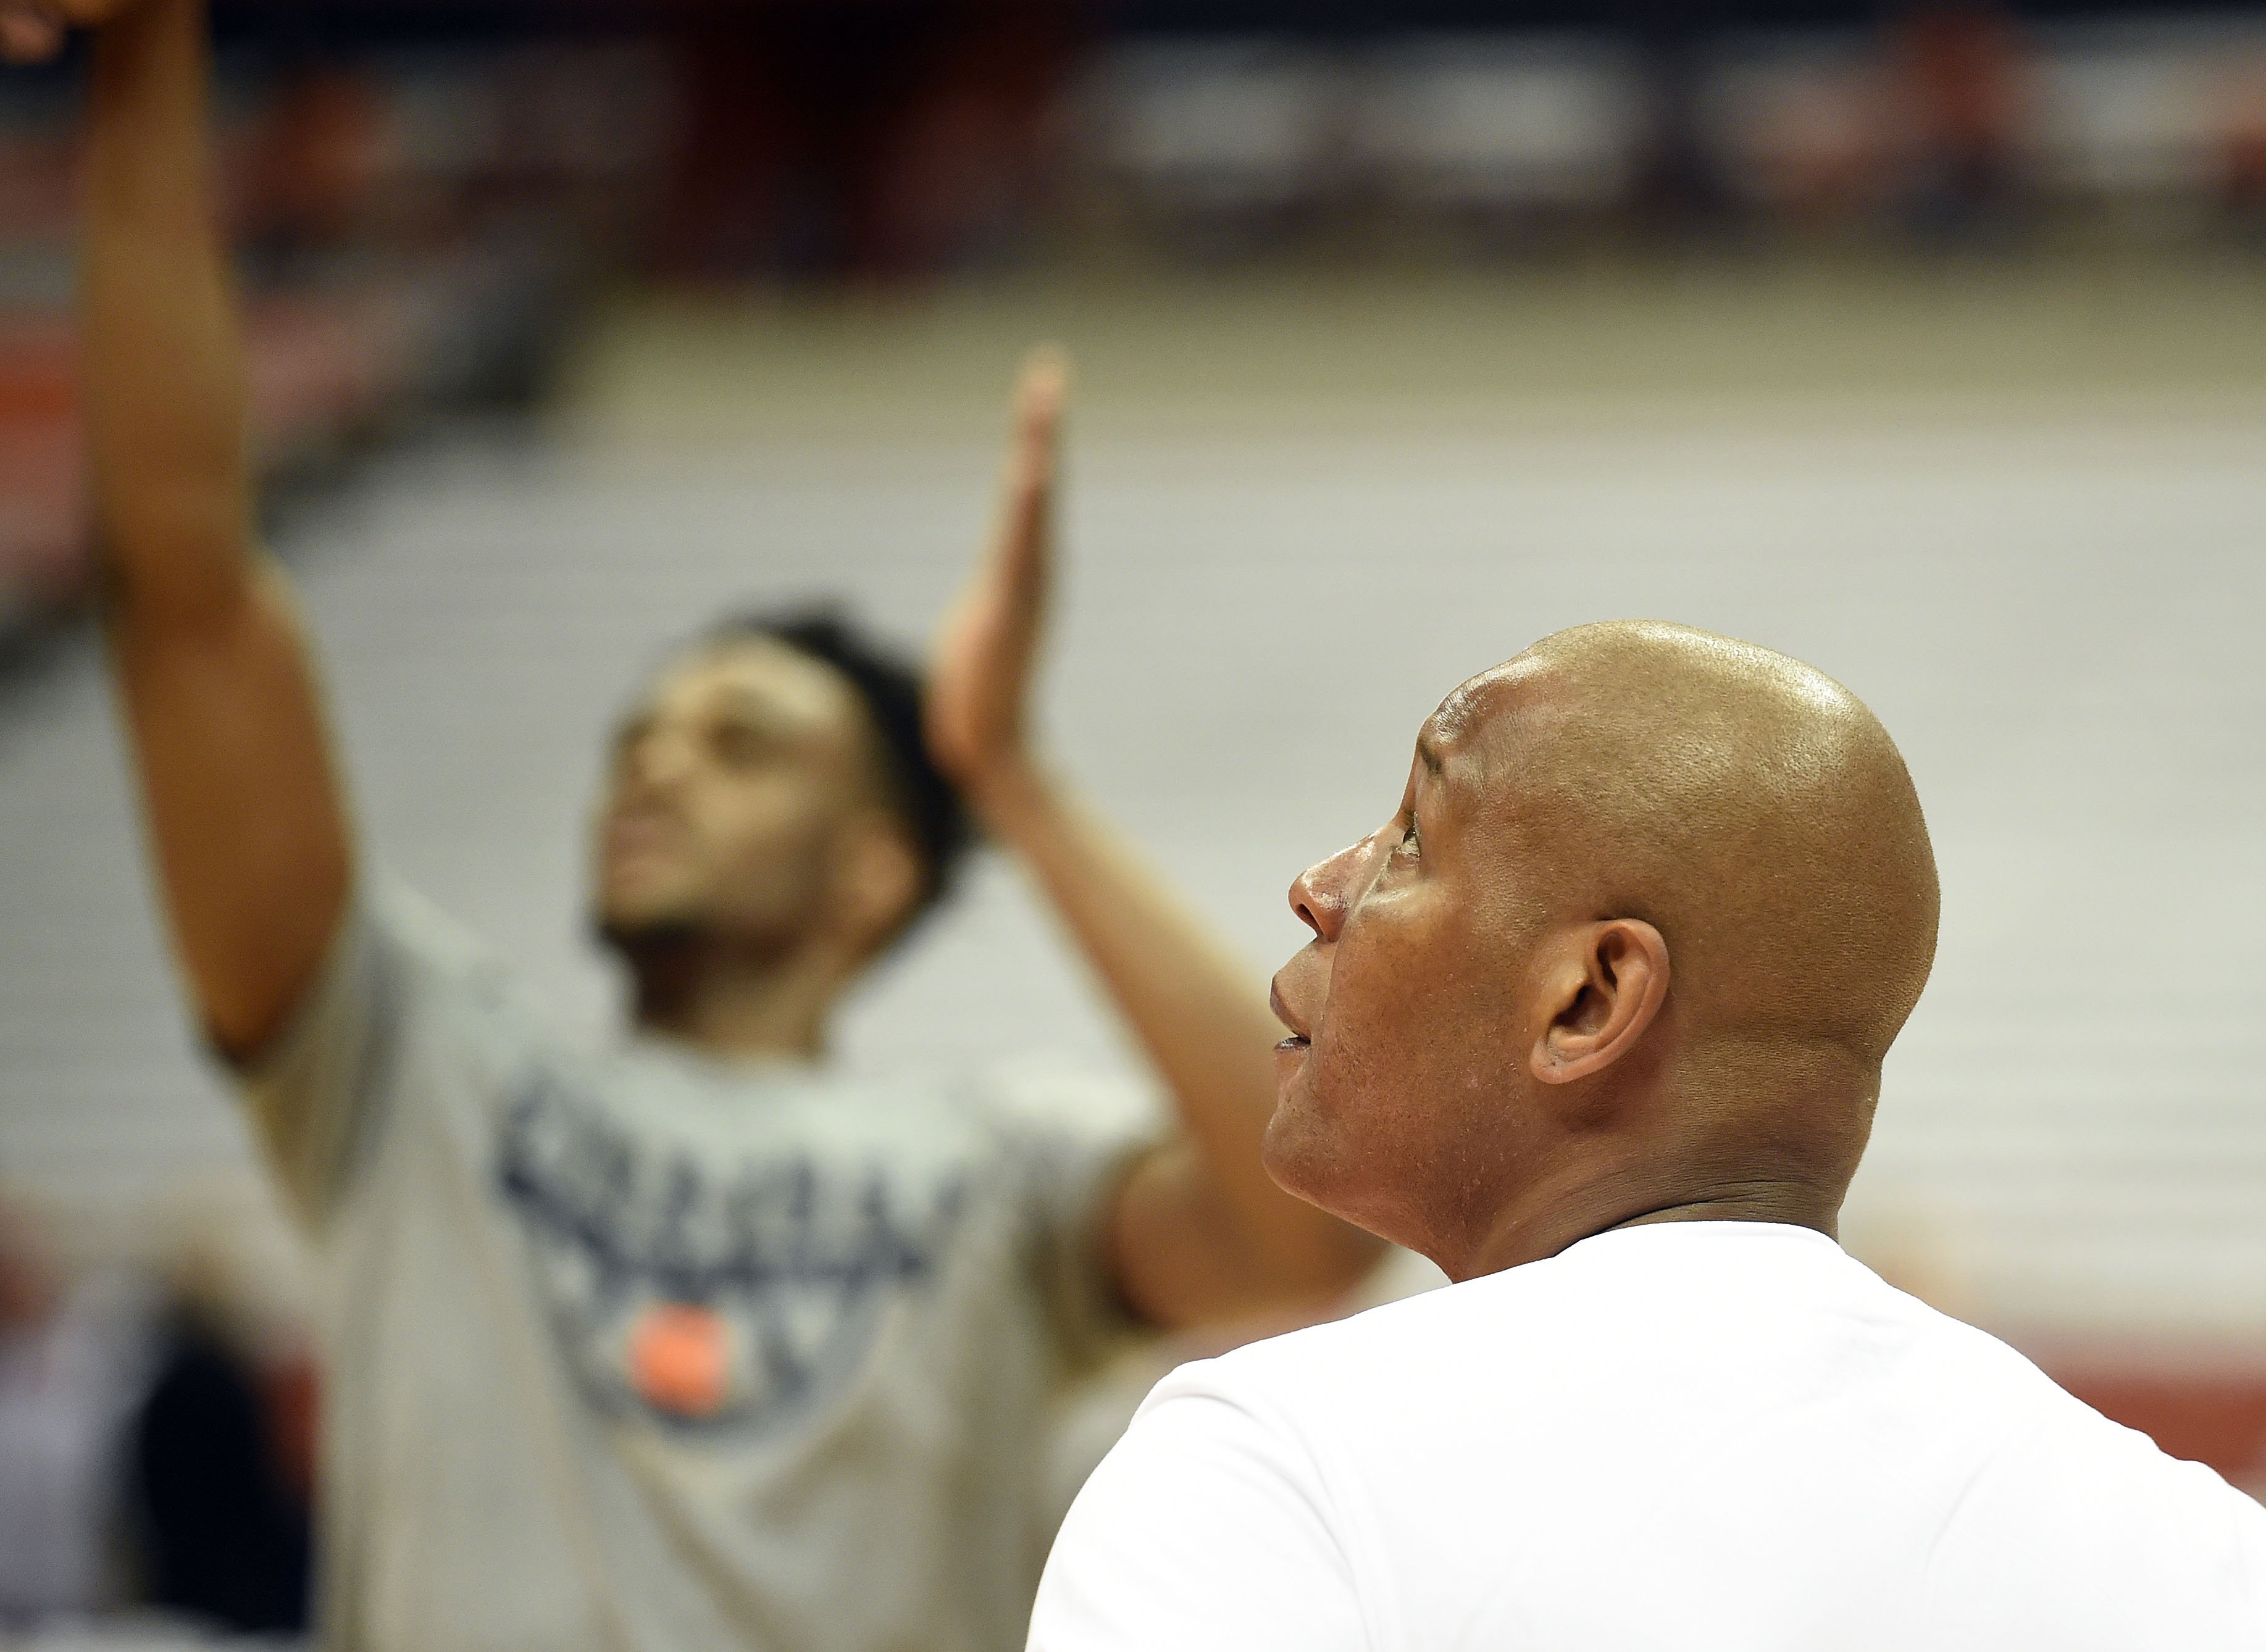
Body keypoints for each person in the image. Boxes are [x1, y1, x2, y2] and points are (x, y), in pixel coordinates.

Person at [12, 0, 1384, 1647]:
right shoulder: (410, 1059)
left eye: (741, 742)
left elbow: (1303, 1238)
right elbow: (186, 588)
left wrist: (1014, 777)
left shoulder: (992, 1164)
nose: (654, 767)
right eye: (643, 737)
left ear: (875, 867)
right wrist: (157, 46)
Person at [1031, 622, 2266, 1651]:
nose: (1320, 883)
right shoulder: (2194, 1553)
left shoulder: (1276, 1474)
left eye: (1412, 833)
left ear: (1586, 1001)